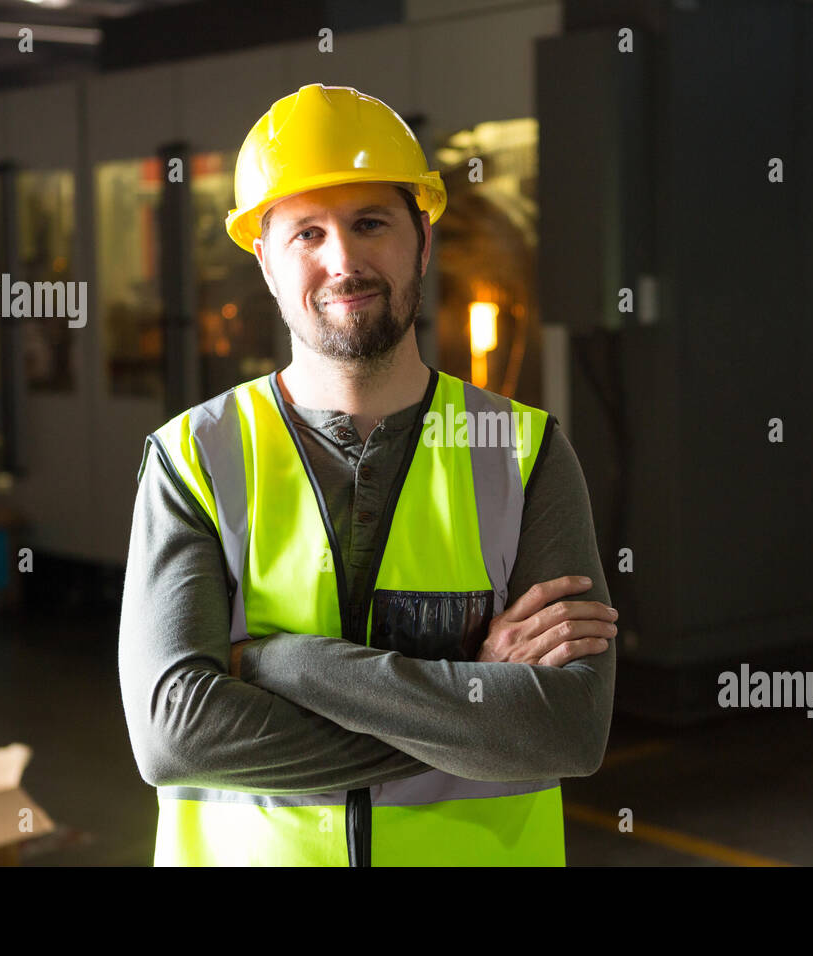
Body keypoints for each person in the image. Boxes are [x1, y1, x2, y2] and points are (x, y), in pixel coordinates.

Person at [117, 83, 617, 866]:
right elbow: (174, 736)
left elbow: (564, 731)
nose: (343, 261)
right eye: (307, 234)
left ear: (422, 238)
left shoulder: (524, 453)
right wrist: (471, 699)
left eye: (370, 223)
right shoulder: (194, 460)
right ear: (266, 262)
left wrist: (286, 663)